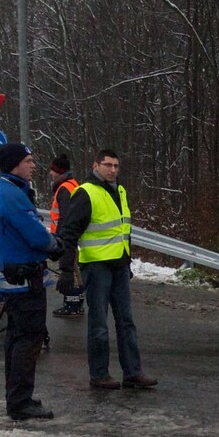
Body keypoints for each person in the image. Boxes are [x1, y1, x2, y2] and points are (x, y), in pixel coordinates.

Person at [56, 148, 158, 391]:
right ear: (96, 166)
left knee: (126, 322)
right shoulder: (86, 193)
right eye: (108, 165)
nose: (112, 170)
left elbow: (123, 230)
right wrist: (66, 269)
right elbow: (68, 233)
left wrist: (126, 259)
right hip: (97, 266)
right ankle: (99, 374)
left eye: (116, 166)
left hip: (119, 266)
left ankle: (132, 372)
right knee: (99, 323)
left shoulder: (119, 191)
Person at [0, 143, 60, 422]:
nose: (33, 165)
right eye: (28, 161)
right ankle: (20, 402)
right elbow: (36, 236)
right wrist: (55, 245)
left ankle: (17, 397)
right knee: (28, 341)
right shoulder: (12, 195)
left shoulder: (0, 191)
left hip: (11, 278)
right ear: (15, 164)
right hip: (25, 280)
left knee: (16, 340)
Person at [49, 153, 86, 317]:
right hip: (70, 234)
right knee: (74, 268)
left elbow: (64, 215)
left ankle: (72, 304)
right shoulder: (72, 185)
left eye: (53, 170)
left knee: (70, 268)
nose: (50, 173)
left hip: (66, 236)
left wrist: (60, 237)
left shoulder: (64, 188)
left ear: (59, 171)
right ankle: (75, 303)